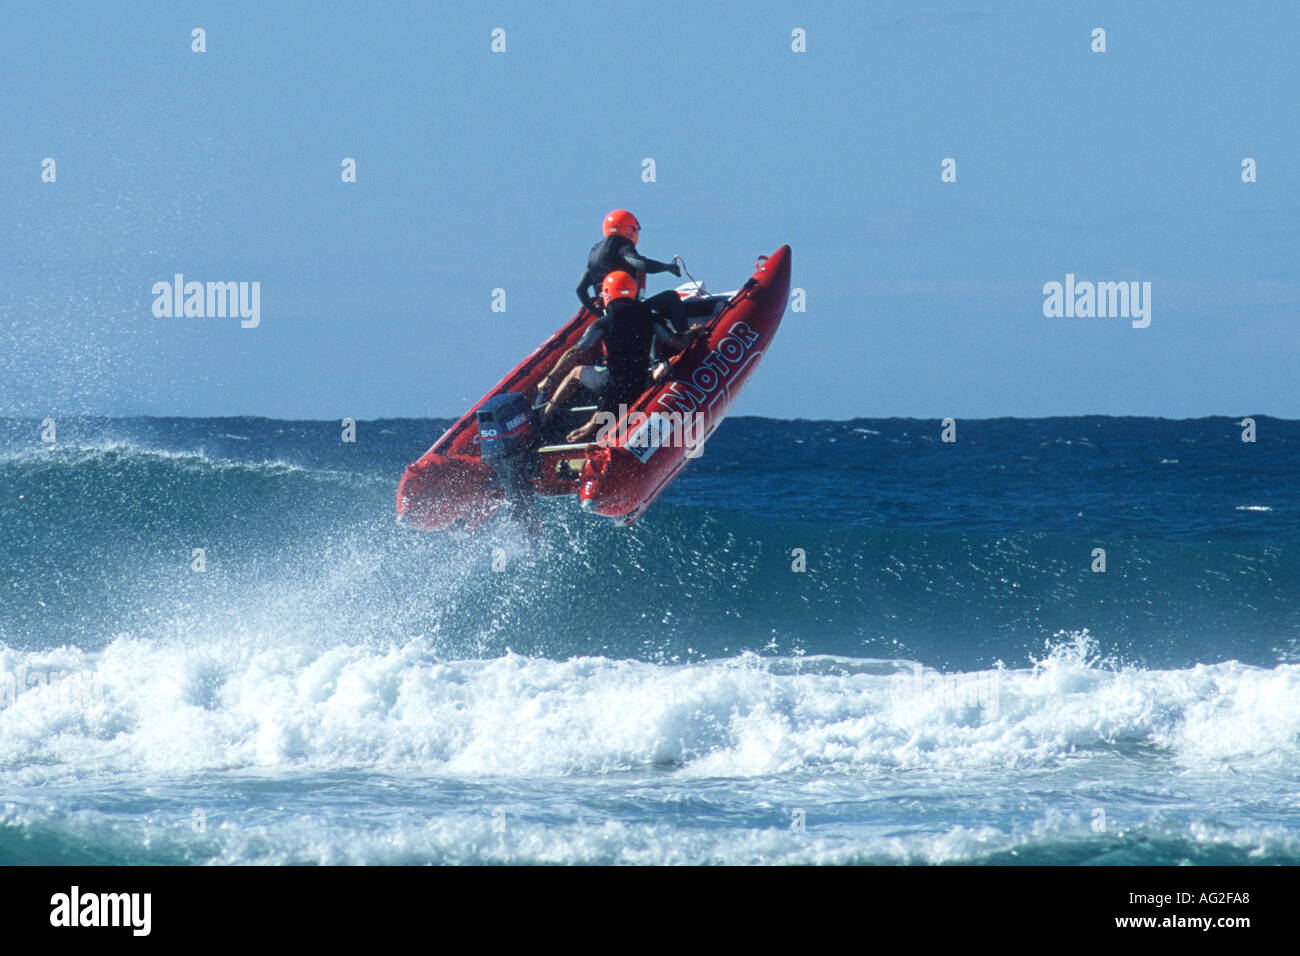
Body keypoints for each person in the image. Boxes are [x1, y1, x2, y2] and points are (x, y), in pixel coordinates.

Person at [539, 271, 706, 443]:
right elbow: (677, 342)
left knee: (576, 372)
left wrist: (550, 378)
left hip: (611, 384)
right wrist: (694, 332)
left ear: (607, 294)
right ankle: (591, 426)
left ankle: (546, 417)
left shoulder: (604, 322)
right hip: (639, 383)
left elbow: (575, 352)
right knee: (645, 376)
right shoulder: (650, 317)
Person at [576, 209, 689, 336]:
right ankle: (686, 339)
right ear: (630, 229)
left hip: (608, 313)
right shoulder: (623, 247)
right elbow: (643, 264)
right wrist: (669, 268)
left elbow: (580, 289)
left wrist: (596, 312)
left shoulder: (594, 253)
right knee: (671, 297)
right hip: (630, 311)